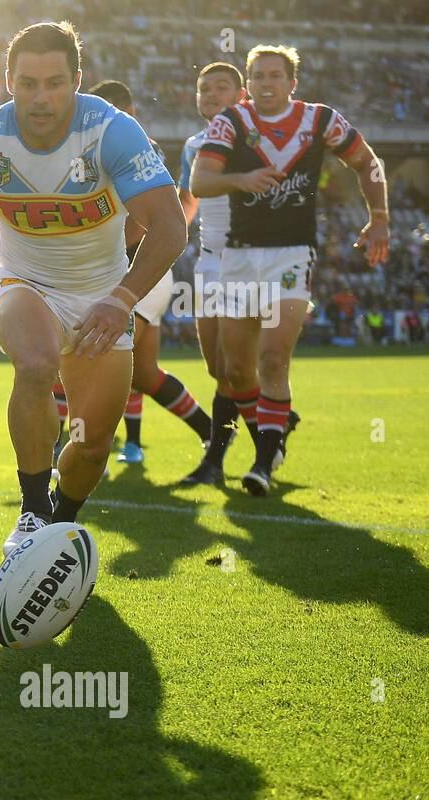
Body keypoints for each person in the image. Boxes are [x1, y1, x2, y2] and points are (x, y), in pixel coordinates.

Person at [0, 21, 186, 555]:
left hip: (103, 298)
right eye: (27, 84)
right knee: (38, 363)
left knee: (91, 447)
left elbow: (171, 226)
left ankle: (57, 529)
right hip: (21, 281)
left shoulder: (111, 131)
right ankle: (31, 510)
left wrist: (121, 300)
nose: (40, 98)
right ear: (8, 80)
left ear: (77, 81)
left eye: (54, 83)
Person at [189, 44, 388, 495]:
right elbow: (201, 181)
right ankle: (274, 433)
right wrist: (240, 180)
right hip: (237, 259)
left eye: (274, 76)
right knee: (234, 372)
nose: (265, 83)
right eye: (258, 76)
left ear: (291, 82)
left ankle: (262, 463)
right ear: (250, 83)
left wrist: (380, 217)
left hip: (291, 254)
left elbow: (366, 162)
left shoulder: (320, 120)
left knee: (273, 359)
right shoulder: (232, 122)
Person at [88, 80, 212, 466]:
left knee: (98, 359)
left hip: (138, 272)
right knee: (142, 372)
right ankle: (212, 433)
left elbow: (148, 219)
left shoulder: (134, 147)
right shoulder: (104, 146)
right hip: (146, 272)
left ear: (127, 111)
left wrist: (111, 252)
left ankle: (84, 448)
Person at [178, 62, 264, 485]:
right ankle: (275, 421)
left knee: (233, 368)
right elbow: (187, 206)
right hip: (208, 260)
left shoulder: (257, 136)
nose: (210, 94)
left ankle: (217, 461)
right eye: (203, 88)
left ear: (241, 93)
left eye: (220, 87)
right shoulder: (194, 144)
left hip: (246, 260)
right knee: (218, 368)